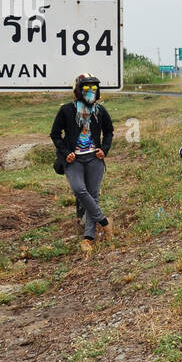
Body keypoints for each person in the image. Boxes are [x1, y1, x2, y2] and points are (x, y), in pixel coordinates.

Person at [50, 74, 114, 253]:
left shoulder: (100, 111)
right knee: (79, 189)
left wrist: (105, 149)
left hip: (94, 158)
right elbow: (55, 134)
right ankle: (104, 222)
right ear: (78, 90)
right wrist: (65, 153)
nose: (90, 91)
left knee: (92, 197)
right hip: (74, 160)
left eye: (94, 88)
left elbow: (109, 131)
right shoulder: (66, 111)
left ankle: (88, 239)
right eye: (86, 88)